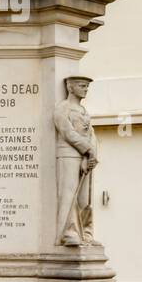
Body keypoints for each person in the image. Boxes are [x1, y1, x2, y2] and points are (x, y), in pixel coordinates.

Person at [54, 76, 98, 246]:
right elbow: (66, 131)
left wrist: (92, 154)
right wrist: (86, 148)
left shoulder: (84, 110)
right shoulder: (62, 108)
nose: (86, 89)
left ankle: (86, 234)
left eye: (87, 86)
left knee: (84, 199)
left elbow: (91, 134)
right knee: (68, 195)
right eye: (82, 86)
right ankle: (69, 232)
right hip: (68, 155)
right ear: (70, 88)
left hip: (86, 156)